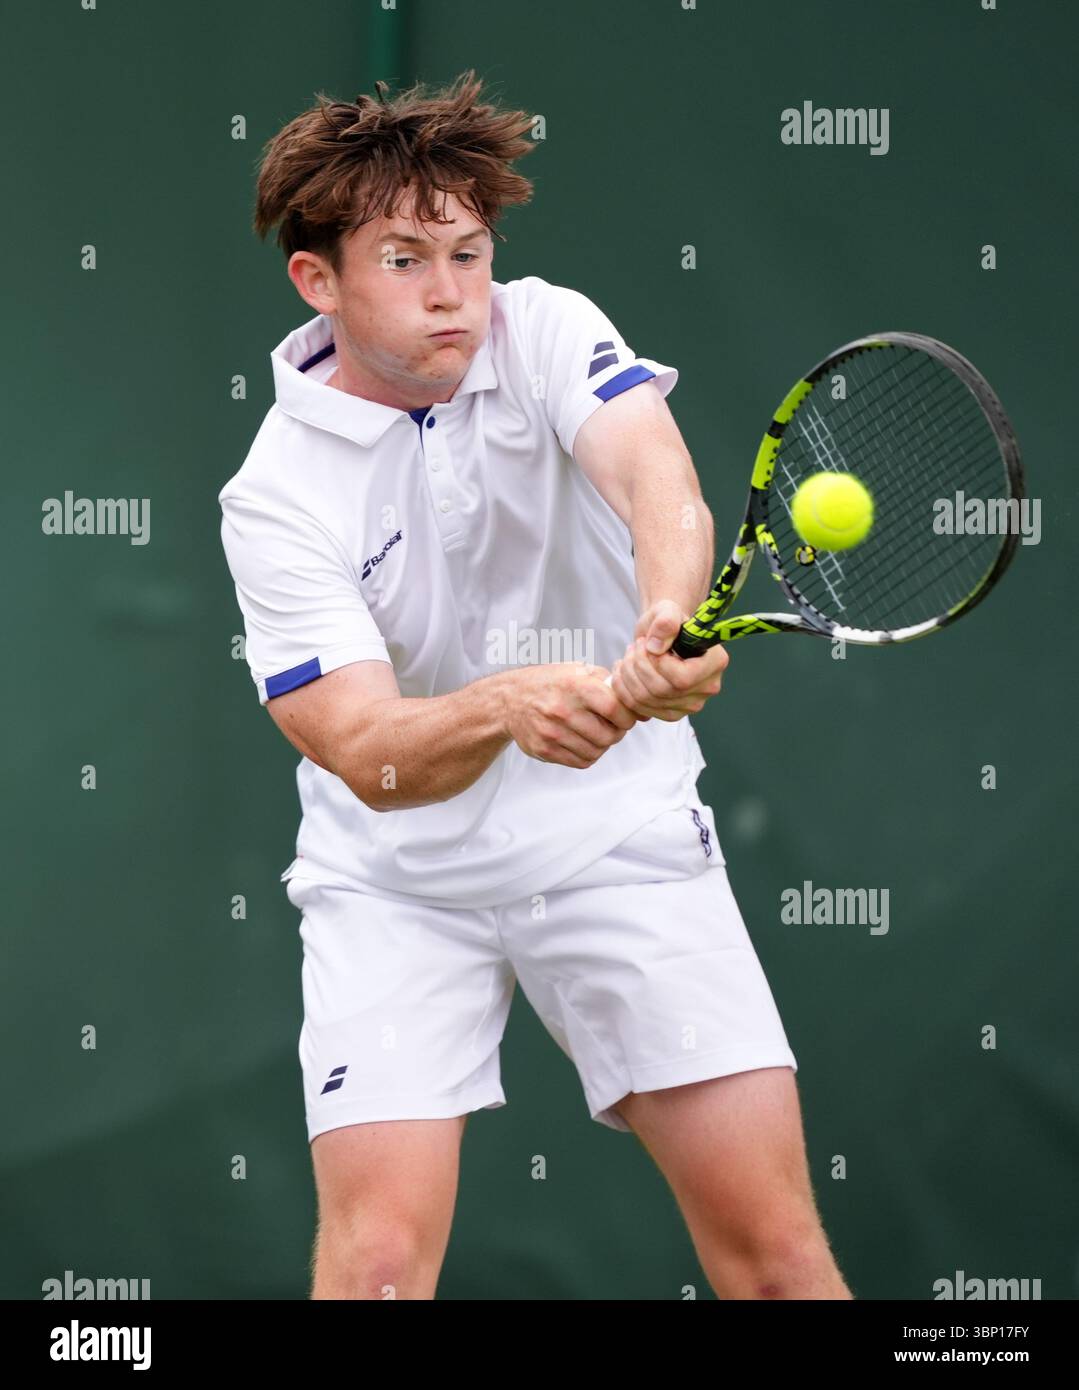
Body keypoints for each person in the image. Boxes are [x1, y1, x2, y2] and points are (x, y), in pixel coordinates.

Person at [218, 70, 851, 1300]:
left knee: (775, 1260)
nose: (451, 292)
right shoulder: (273, 497)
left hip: (617, 840)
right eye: (403, 258)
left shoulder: (545, 325)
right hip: (395, 887)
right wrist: (507, 707)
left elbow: (652, 474)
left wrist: (664, 610)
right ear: (317, 279)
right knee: (378, 1274)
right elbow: (361, 749)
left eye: (467, 251)